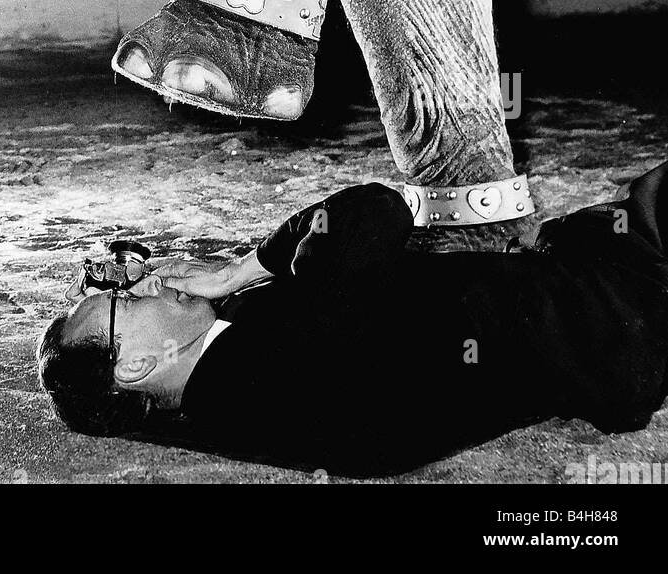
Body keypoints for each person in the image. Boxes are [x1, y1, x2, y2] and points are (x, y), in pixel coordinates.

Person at [37, 163, 668, 475]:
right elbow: (373, 211)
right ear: (138, 364)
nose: (145, 284)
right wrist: (240, 270)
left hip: (586, 295)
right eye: (128, 301)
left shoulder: (212, 385)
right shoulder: (278, 362)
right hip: (618, 306)